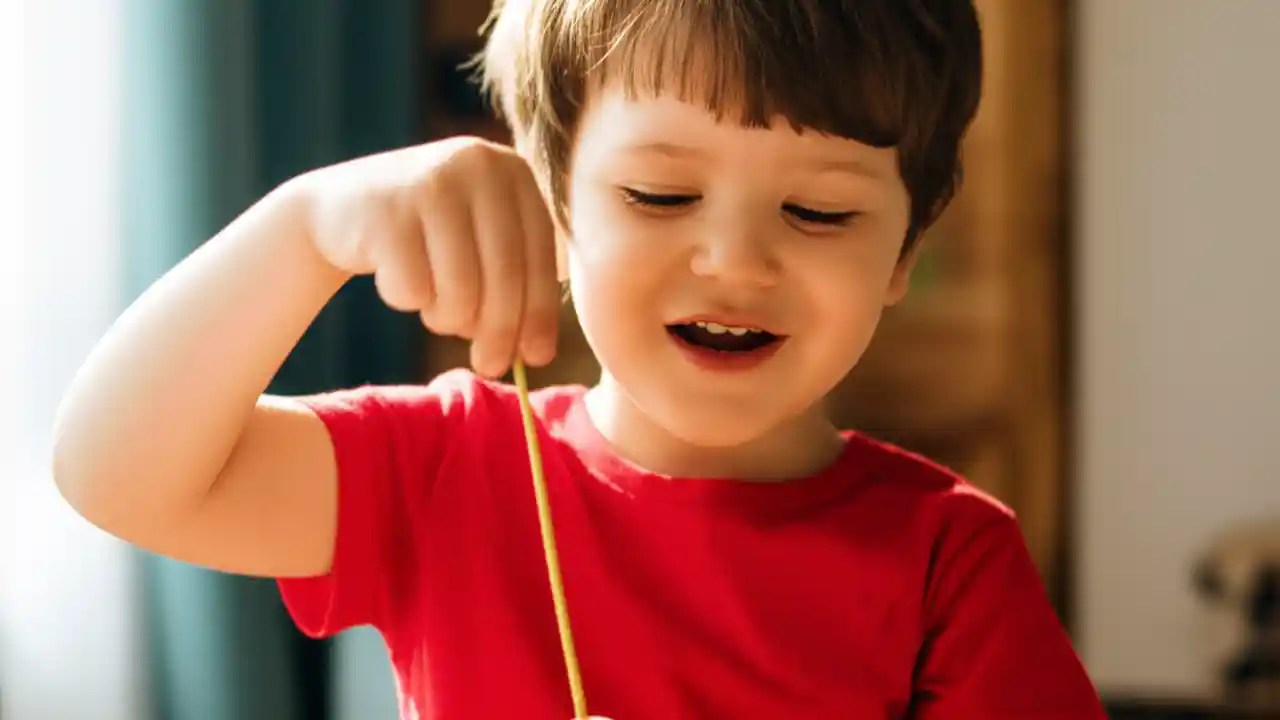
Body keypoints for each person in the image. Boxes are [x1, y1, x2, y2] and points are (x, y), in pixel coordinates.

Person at [51, 0, 1106, 717]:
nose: (734, 260)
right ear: (554, 209)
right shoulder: (445, 468)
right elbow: (116, 476)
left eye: (817, 210)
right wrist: (305, 228)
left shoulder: (945, 559)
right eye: (659, 195)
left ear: (902, 255)